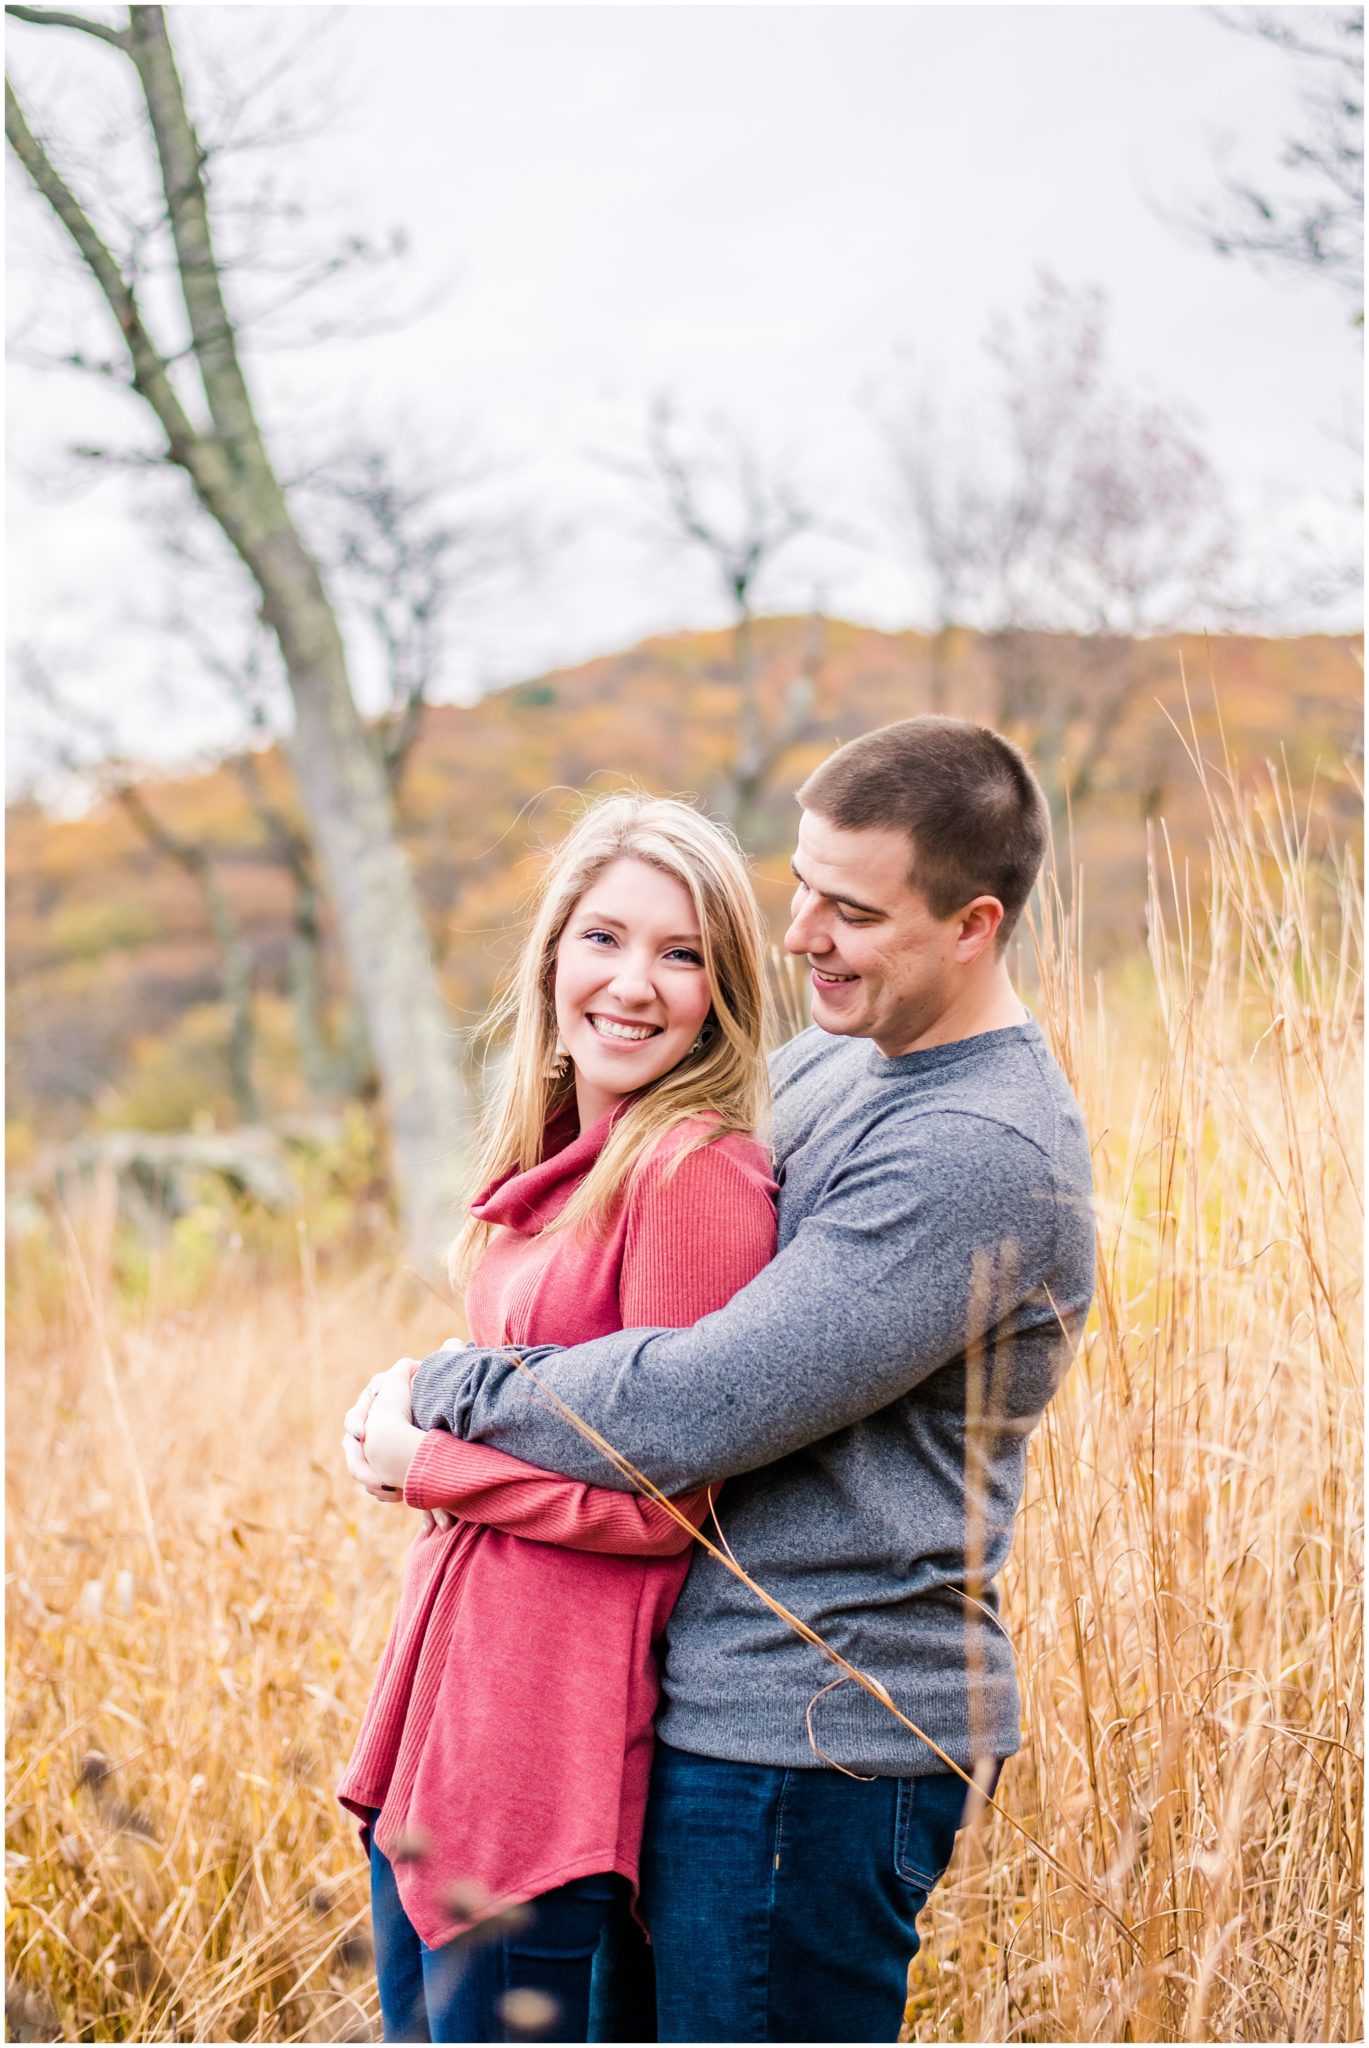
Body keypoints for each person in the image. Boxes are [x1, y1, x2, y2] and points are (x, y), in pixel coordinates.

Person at [355, 714, 1097, 2044]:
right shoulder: (832, 1065)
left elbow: (695, 1406)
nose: (801, 929)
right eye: (801, 883)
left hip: (816, 1736)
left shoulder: (978, 1153)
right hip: (709, 1712)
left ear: (973, 925)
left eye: (851, 909)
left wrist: (450, 1395)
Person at [338, 793, 779, 2043]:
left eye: (681, 952)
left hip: (543, 1760)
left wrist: (432, 1463)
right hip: (449, 1725)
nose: (634, 983)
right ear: (550, 953)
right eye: (604, 936)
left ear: (720, 990)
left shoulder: (692, 1171)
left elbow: (665, 1505)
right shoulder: (551, 1169)